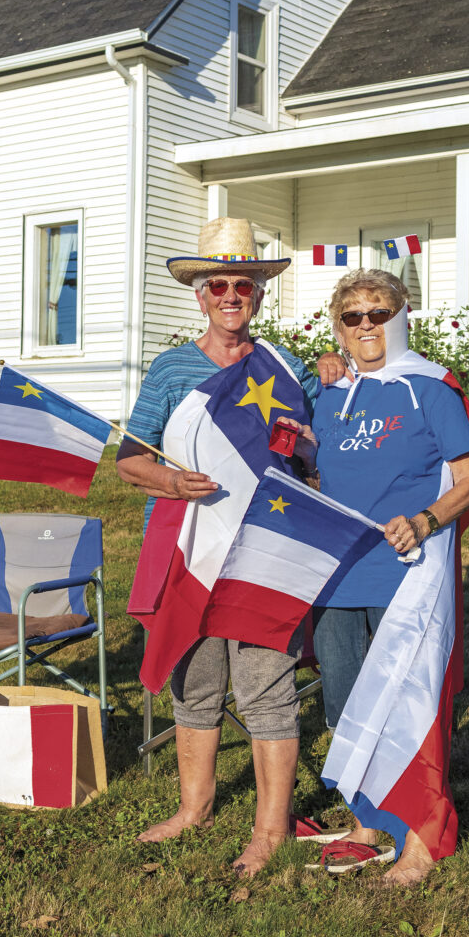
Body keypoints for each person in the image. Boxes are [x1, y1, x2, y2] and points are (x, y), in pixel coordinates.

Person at [116, 217, 343, 877]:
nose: (231, 295)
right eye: (218, 284)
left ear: (259, 295)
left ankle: (269, 831)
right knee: (196, 681)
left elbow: (322, 441)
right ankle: (195, 810)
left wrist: (333, 373)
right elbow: (130, 459)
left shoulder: (284, 365)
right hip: (189, 545)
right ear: (200, 294)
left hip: (264, 546)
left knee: (264, 685)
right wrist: (169, 480)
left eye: (243, 284)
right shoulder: (170, 368)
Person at [286, 268, 469, 885]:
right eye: (353, 317)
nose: (367, 325)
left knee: (411, 703)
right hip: (337, 573)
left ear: (401, 317)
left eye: (379, 313)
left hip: (408, 573)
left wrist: (428, 519)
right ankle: (368, 826)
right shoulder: (327, 391)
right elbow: (306, 460)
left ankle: (423, 839)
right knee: (347, 705)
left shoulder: (431, 390)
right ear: (338, 328)